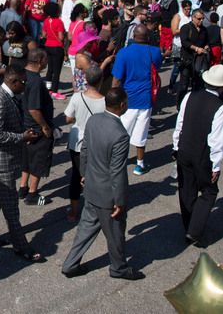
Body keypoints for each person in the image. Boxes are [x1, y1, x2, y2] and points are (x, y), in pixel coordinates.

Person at [61, 87, 145, 280]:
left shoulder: (94, 120)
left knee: (85, 228)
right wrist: (120, 199)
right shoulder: (120, 135)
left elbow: (85, 149)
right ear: (122, 105)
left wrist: (84, 174)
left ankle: (70, 264)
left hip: (91, 186)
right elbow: (117, 171)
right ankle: (119, 268)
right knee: (115, 234)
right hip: (108, 195)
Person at [0, 66, 41, 262]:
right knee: (11, 207)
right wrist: (21, 137)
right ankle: (21, 246)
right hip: (0, 161)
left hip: (3, 159)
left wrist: (25, 135)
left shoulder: (12, 96)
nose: (25, 85)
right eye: (23, 82)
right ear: (13, 81)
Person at [172, 65, 223, 247]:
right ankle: (194, 231)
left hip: (184, 149)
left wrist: (176, 147)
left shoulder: (190, 96)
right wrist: (216, 165)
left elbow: (179, 124)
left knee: (186, 189)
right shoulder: (220, 107)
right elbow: (217, 140)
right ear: (222, 87)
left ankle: (189, 225)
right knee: (209, 191)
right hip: (202, 154)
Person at [112, 25, 162, 175]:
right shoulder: (155, 52)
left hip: (127, 100)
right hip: (146, 99)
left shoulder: (123, 53)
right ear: (147, 36)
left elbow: (116, 80)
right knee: (142, 132)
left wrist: (112, 100)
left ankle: (117, 161)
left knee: (121, 134)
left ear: (133, 35)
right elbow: (158, 65)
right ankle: (140, 164)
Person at [63, 66, 106, 222]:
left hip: (78, 143)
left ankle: (73, 213)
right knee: (95, 176)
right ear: (101, 80)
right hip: (96, 142)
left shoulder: (77, 97)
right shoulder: (104, 101)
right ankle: (95, 212)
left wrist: (80, 121)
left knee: (76, 176)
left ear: (86, 80)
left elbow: (68, 118)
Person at [19, 48, 54, 205]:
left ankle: (23, 186)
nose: (47, 62)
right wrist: (45, 126)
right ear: (39, 61)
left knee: (26, 159)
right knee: (38, 161)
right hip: (36, 128)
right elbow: (34, 109)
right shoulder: (36, 82)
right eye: (45, 59)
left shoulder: (23, 75)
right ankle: (32, 194)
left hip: (24, 125)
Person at [176, 9, 210, 107]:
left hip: (199, 60)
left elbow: (207, 41)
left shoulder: (204, 29)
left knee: (198, 82)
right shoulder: (186, 28)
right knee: (184, 83)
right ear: (193, 17)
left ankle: (195, 102)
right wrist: (196, 49)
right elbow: (185, 42)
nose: (201, 21)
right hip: (187, 59)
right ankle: (180, 104)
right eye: (199, 19)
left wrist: (206, 46)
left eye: (202, 19)